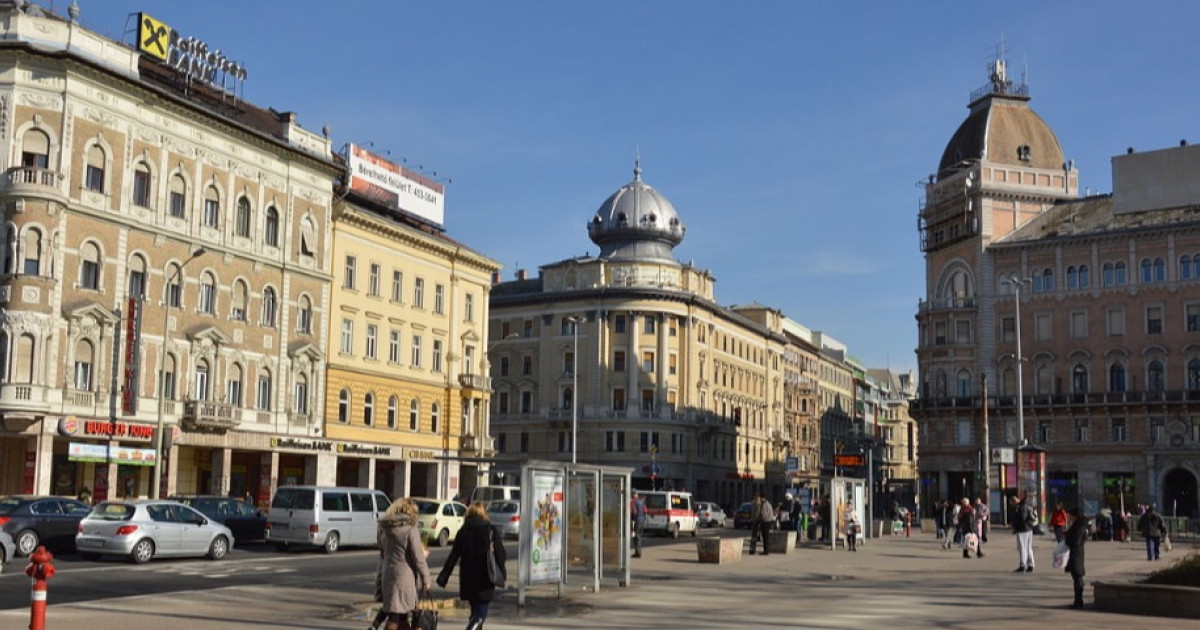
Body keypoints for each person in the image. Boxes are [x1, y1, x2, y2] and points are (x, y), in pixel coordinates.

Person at [437, 501, 508, 630]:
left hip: (467, 578)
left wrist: (443, 577)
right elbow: (501, 554)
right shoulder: (489, 530)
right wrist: (502, 573)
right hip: (485, 577)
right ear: (483, 513)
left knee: (475, 611)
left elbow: (453, 556)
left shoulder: (462, 531)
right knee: (481, 614)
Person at [373, 498, 432, 630]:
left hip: (387, 575)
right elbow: (418, 558)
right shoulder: (410, 529)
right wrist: (426, 579)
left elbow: (382, 555)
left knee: (401, 615)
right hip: (404, 578)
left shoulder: (384, 529)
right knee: (395, 616)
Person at [1064, 507, 1088, 609]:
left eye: (1070, 516)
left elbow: (1076, 541)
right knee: (1077, 578)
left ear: (1075, 516)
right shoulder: (1078, 525)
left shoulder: (1079, 527)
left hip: (1076, 555)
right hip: (1076, 554)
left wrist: (1067, 539)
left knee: (1078, 578)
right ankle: (1078, 600)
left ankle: (1078, 601)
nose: (1069, 517)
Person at [1011, 491, 1037, 572]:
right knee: (1028, 547)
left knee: (1022, 547)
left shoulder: (1021, 507)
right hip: (1028, 529)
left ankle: (1022, 565)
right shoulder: (1027, 505)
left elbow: (1021, 518)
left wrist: (1015, 526)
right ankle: (1031, 564)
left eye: (1020, 495)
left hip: (1022, 529)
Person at [630, 491, 647, 558]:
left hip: (636, 521)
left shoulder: (633, 501)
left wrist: (632, 520)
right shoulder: (642, 501)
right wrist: (643, 520)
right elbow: (645, 511)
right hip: (641, 521)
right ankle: (638, 552)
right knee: (639, 536)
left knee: (635, 536)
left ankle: (637, 552)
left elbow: (634, 512)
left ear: (632, 495)